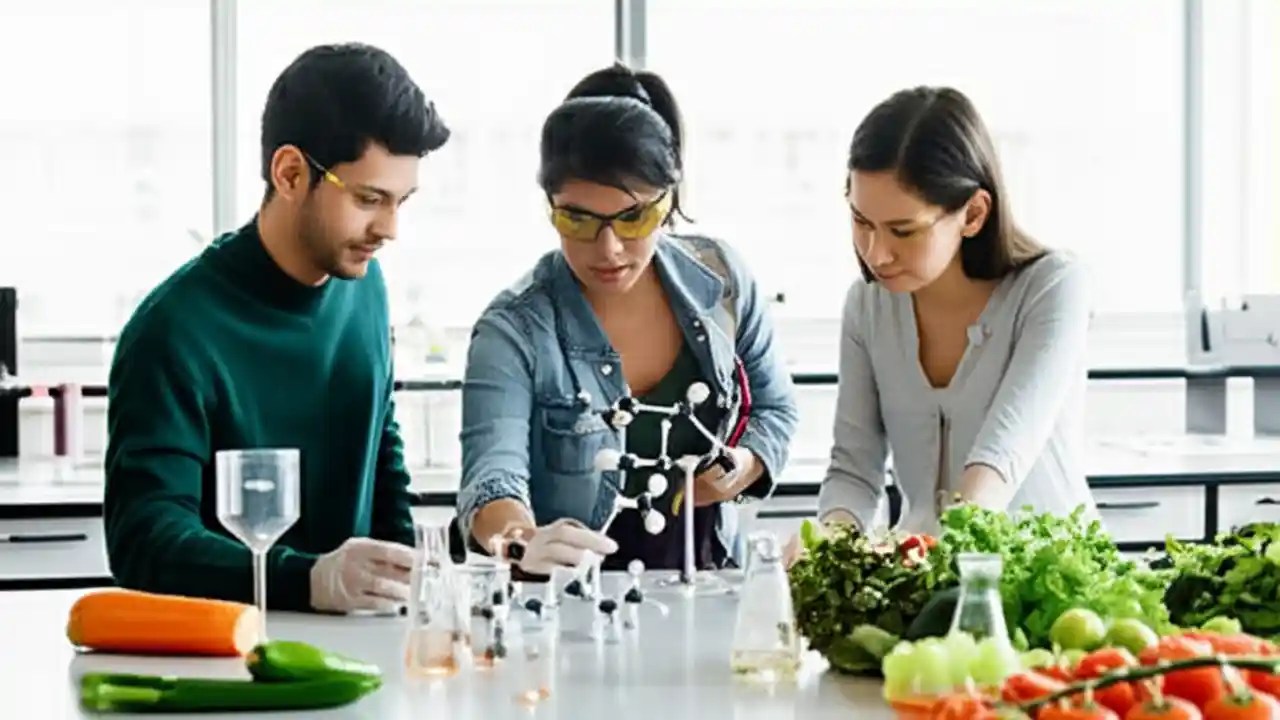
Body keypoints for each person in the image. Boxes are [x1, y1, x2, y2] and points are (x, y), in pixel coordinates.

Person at [103, 43, 450, 613]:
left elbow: (378, 450)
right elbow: (145, 539)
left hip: (363, 652)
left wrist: (408, 585)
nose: (389, 229)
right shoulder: (173, 330)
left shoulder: (366, 286)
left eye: (401, 202)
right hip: (233, 661)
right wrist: (308, 580)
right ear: (290, 174)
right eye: (369, 199)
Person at [456, 64, 798, 575]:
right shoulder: (513, 329)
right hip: (572, 608)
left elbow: (775, 410)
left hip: (709, 583)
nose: (608, 249)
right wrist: (522, 539)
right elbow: (491, 478)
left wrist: (742, 467)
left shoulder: (722, 280)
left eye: (634, 218)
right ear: (549, 206)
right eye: (577, 219)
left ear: (668, 201)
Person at [815, 86, 1094, 538]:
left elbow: (999, 461)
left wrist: (926, 555)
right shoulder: (867, 306)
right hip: (926, 583)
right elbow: (853, 469)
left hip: (1045, 583)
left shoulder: (1053, 288)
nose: (876, 254)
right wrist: (828, 543)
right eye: (861, 221)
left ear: (974, 214)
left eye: (902, 231)